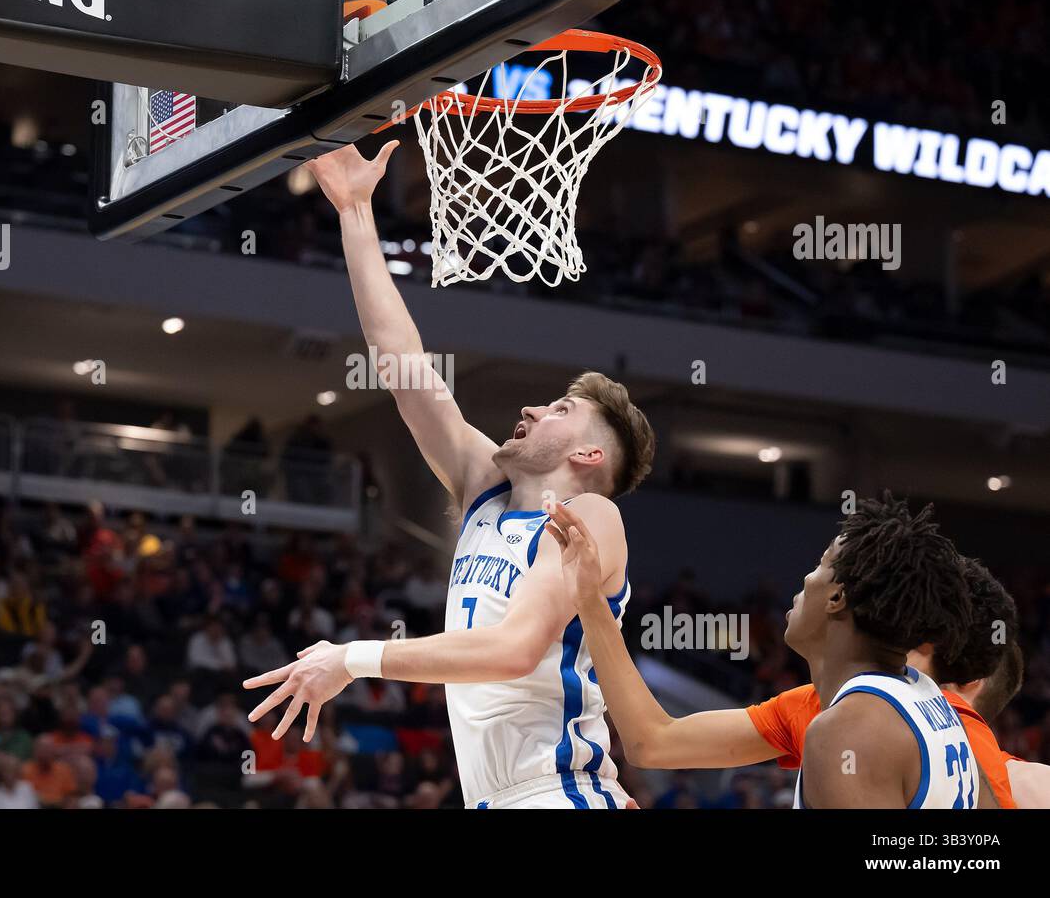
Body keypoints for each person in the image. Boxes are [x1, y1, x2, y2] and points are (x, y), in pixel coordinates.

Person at [244, 143, 656, 810]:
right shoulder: (484, 491)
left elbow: (517, 649)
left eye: (561, 410)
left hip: (558, 793)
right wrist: (354, 211)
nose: (531, 409)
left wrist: (354, 659)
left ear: (588, 458)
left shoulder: (594, 519)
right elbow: (403, 368)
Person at [551, 495, 994, 808]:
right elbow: (654, 741)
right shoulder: (928, 701)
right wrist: (591, 599)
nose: (805, 579)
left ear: (838, 598)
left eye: (821, 565)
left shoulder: (847, 730)